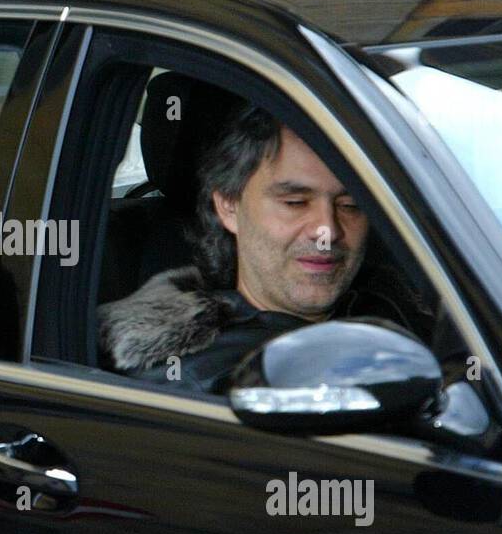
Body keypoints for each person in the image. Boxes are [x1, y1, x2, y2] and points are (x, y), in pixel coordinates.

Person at [99, 101, 372, 394]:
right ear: (229, 207)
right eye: (294, 203)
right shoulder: (198, 381)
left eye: (350, 205)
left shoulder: (410, 286)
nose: (327, 231)